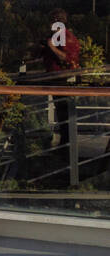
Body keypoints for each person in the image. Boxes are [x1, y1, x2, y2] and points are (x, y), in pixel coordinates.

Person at [43, 9, 82, 150]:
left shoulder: (66, 37)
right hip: (56, 78)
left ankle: (67, 145)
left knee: (65, 112)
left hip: (63, 79)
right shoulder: (58, 36)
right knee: (61, 112)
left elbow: (67, 57)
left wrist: (51, 47)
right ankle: (65, 144)